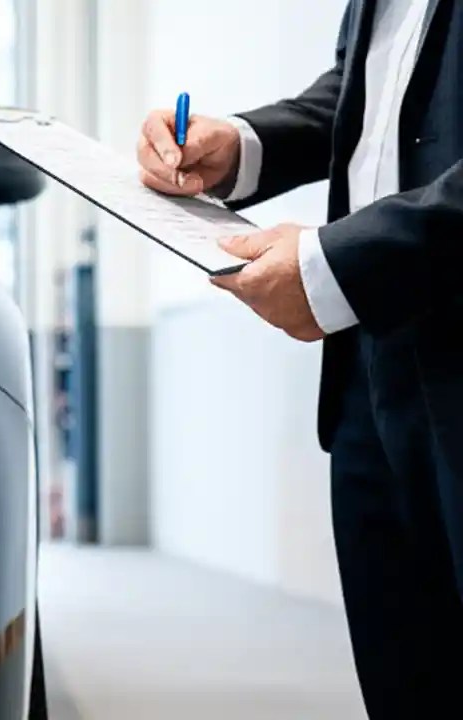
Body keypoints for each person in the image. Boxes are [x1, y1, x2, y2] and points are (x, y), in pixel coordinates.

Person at [136, 1, 463, 717]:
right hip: (367, 376)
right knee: (407, 678)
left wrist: (340, 262)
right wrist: (243, 143)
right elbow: (370, 92)